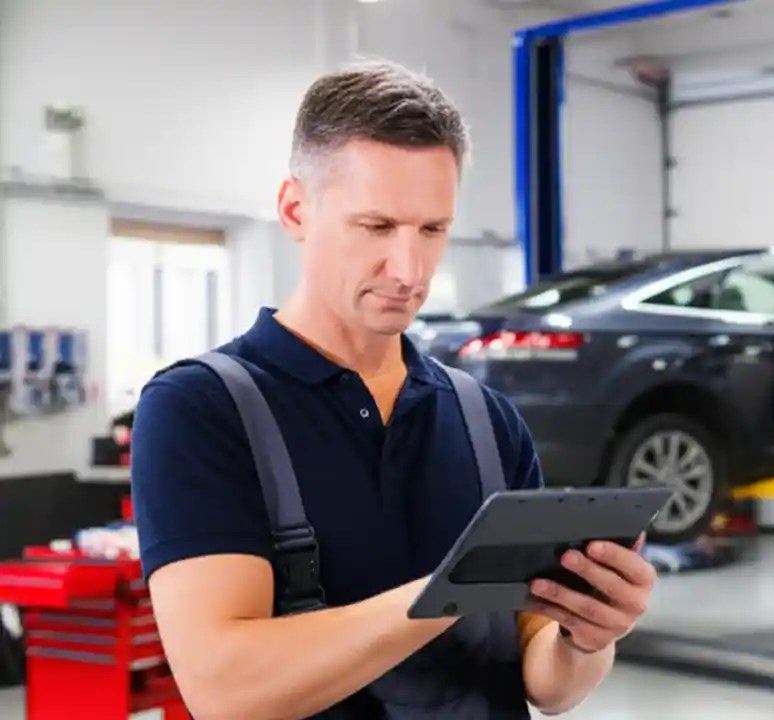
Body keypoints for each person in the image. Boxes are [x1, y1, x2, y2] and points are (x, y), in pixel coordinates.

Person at [129, 60, 657, 720]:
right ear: (296, 208)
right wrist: (446, 592)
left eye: (432, 230)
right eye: (376, 227)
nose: (409, 271)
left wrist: (586, 635)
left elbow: (545, 683)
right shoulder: (199, 410)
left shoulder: (485, 421)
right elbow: (226, 690)